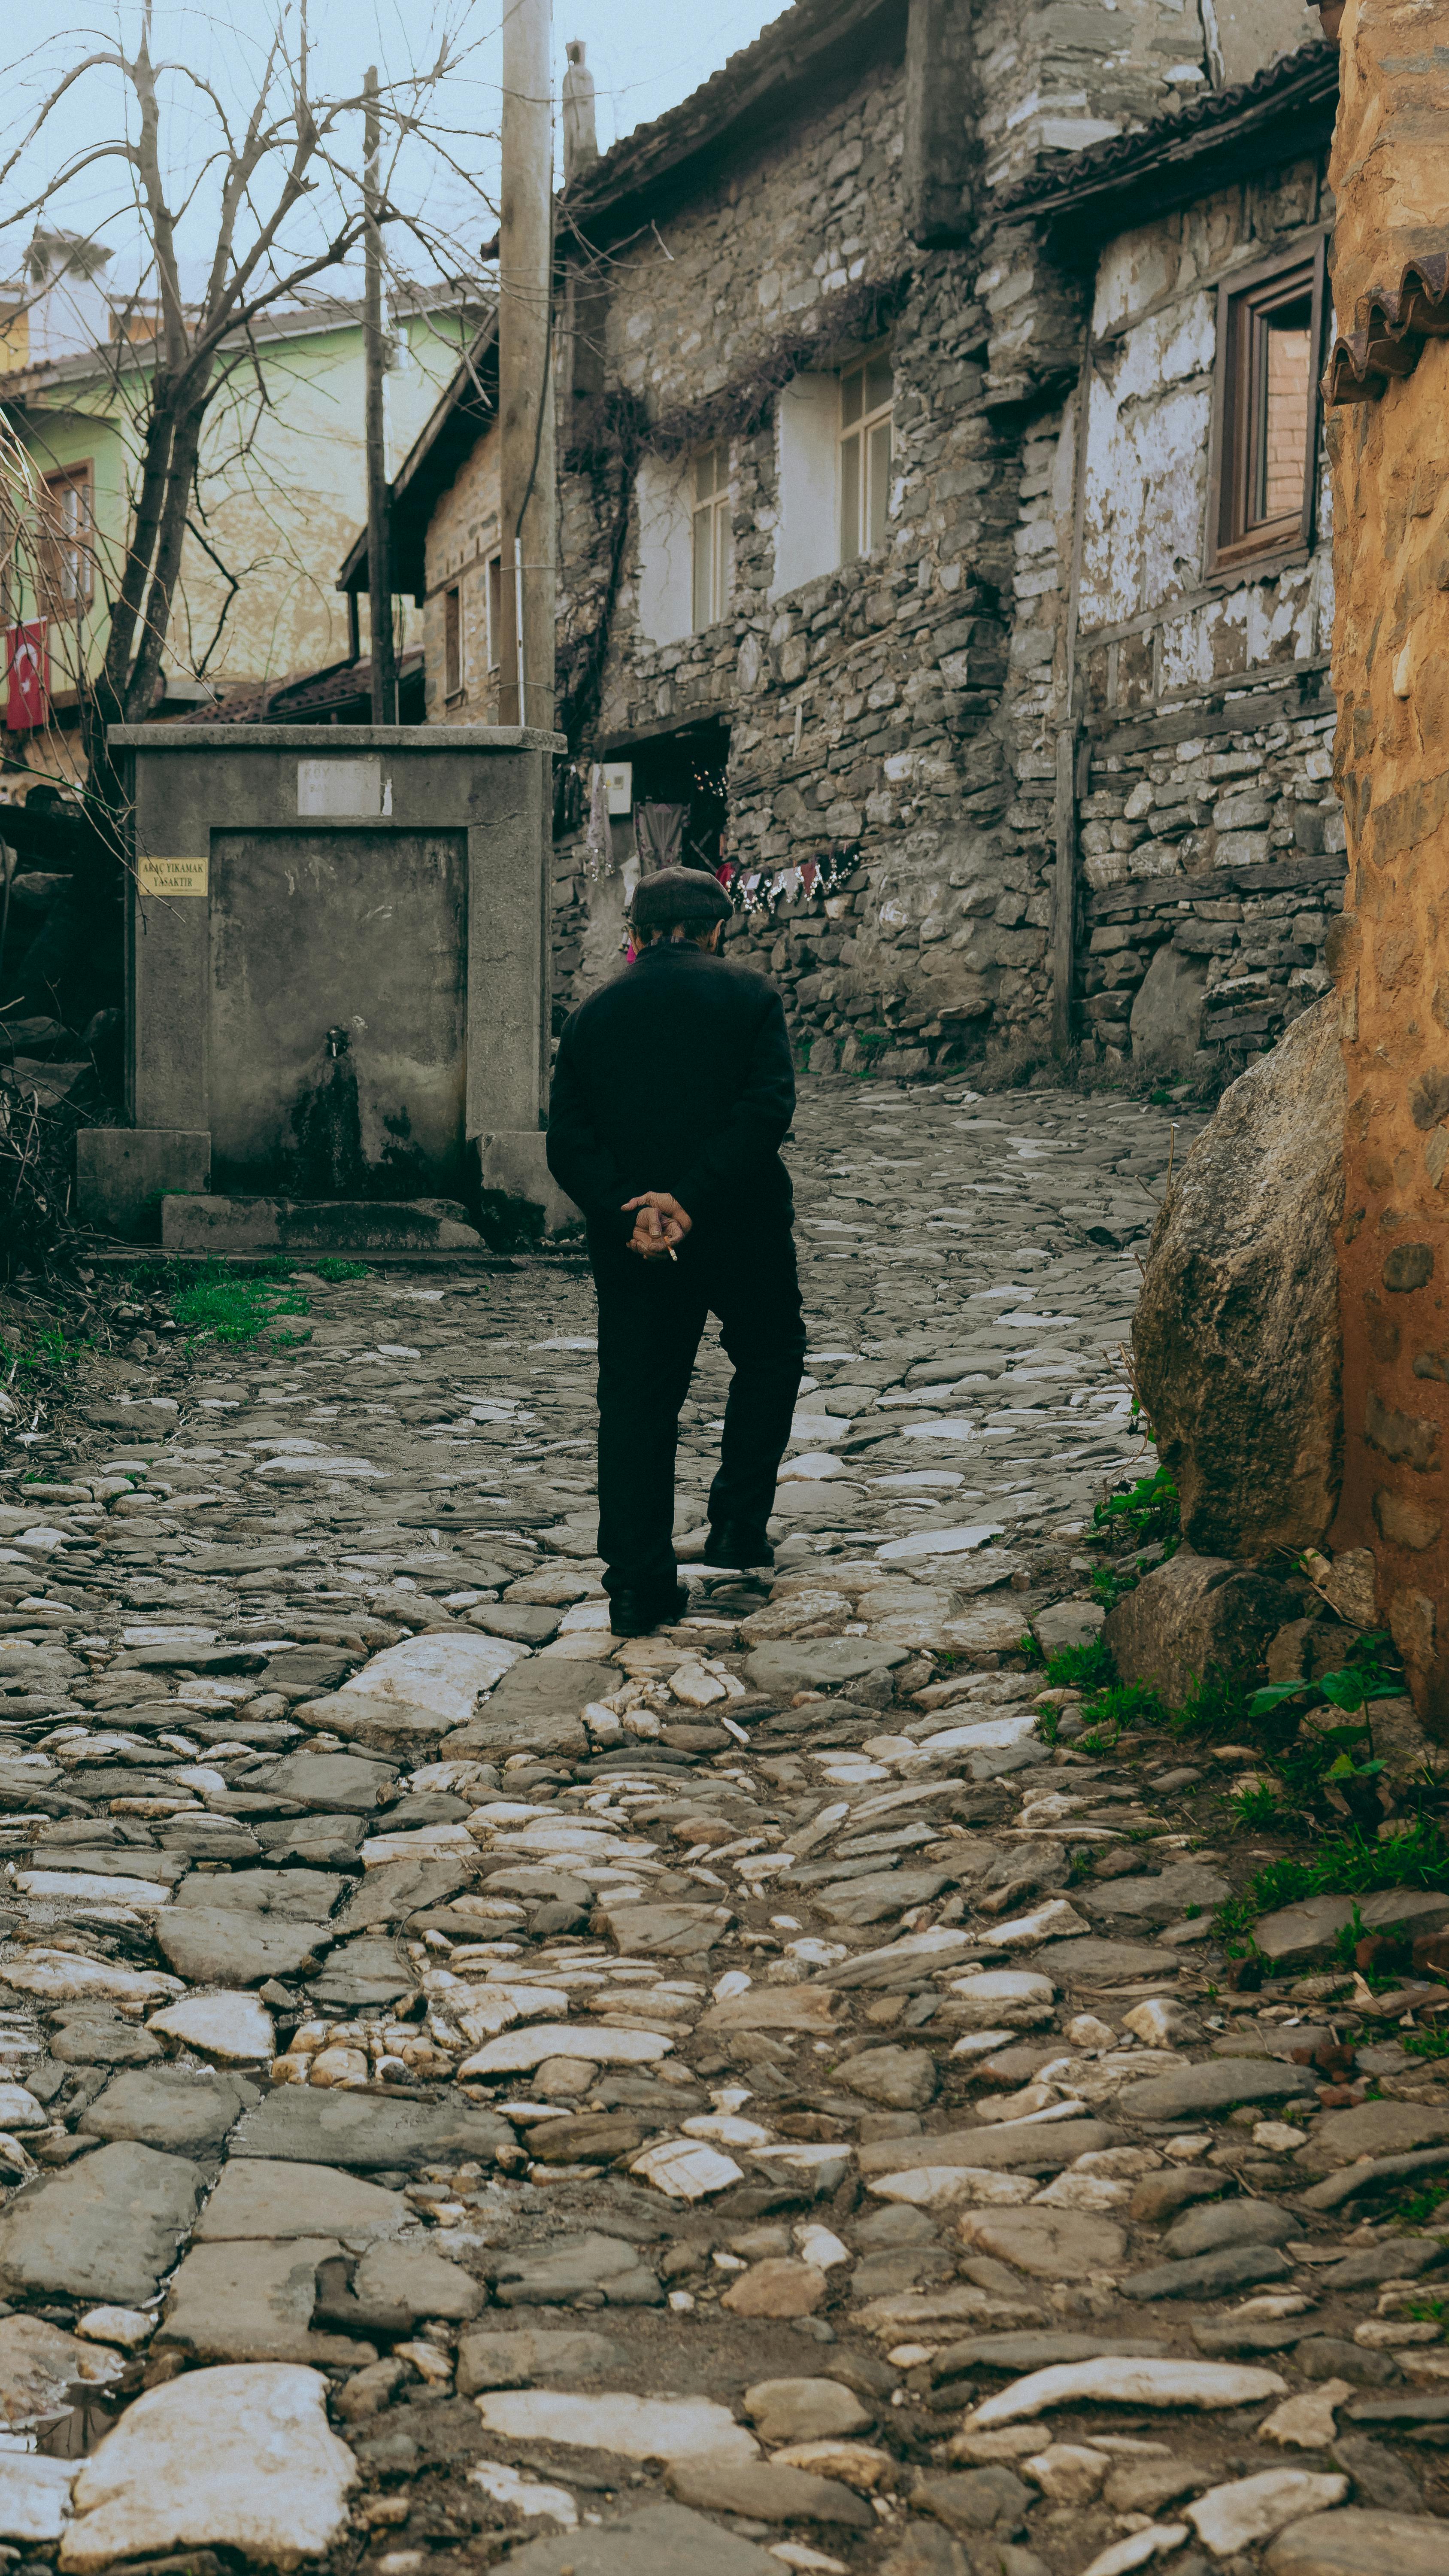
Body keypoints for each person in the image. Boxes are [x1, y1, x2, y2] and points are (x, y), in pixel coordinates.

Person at [546, 864, 805, 1635]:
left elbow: (568, 1141)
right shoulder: (752, 997)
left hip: (631, 1238)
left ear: (634, 934)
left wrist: (629, 1211)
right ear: (718, 927)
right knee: (769, 1352)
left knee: (636, 1398)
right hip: (741, 1222)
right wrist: (689, 1200)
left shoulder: (592, 1015)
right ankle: (736, 1526)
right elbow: (767, 1112)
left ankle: (637, 1585)